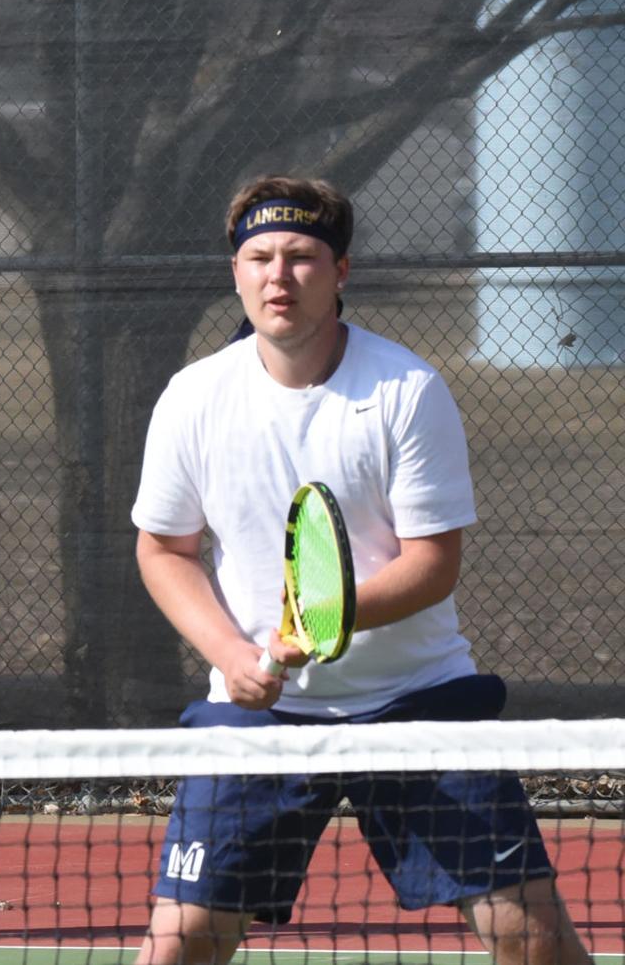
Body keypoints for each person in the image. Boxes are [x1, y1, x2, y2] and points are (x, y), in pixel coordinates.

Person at [130, 176, 590, 965]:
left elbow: (433, 565)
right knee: (181, 945)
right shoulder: (192, 398)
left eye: (303, 257)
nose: (280, 276)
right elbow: (164, 549)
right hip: (262, 719)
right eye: (260, 257)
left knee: (530, 941)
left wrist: (325, 623)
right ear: (235, 272)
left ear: (341, 272)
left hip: (419, 703)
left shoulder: (408, 390)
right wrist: (233, 657)